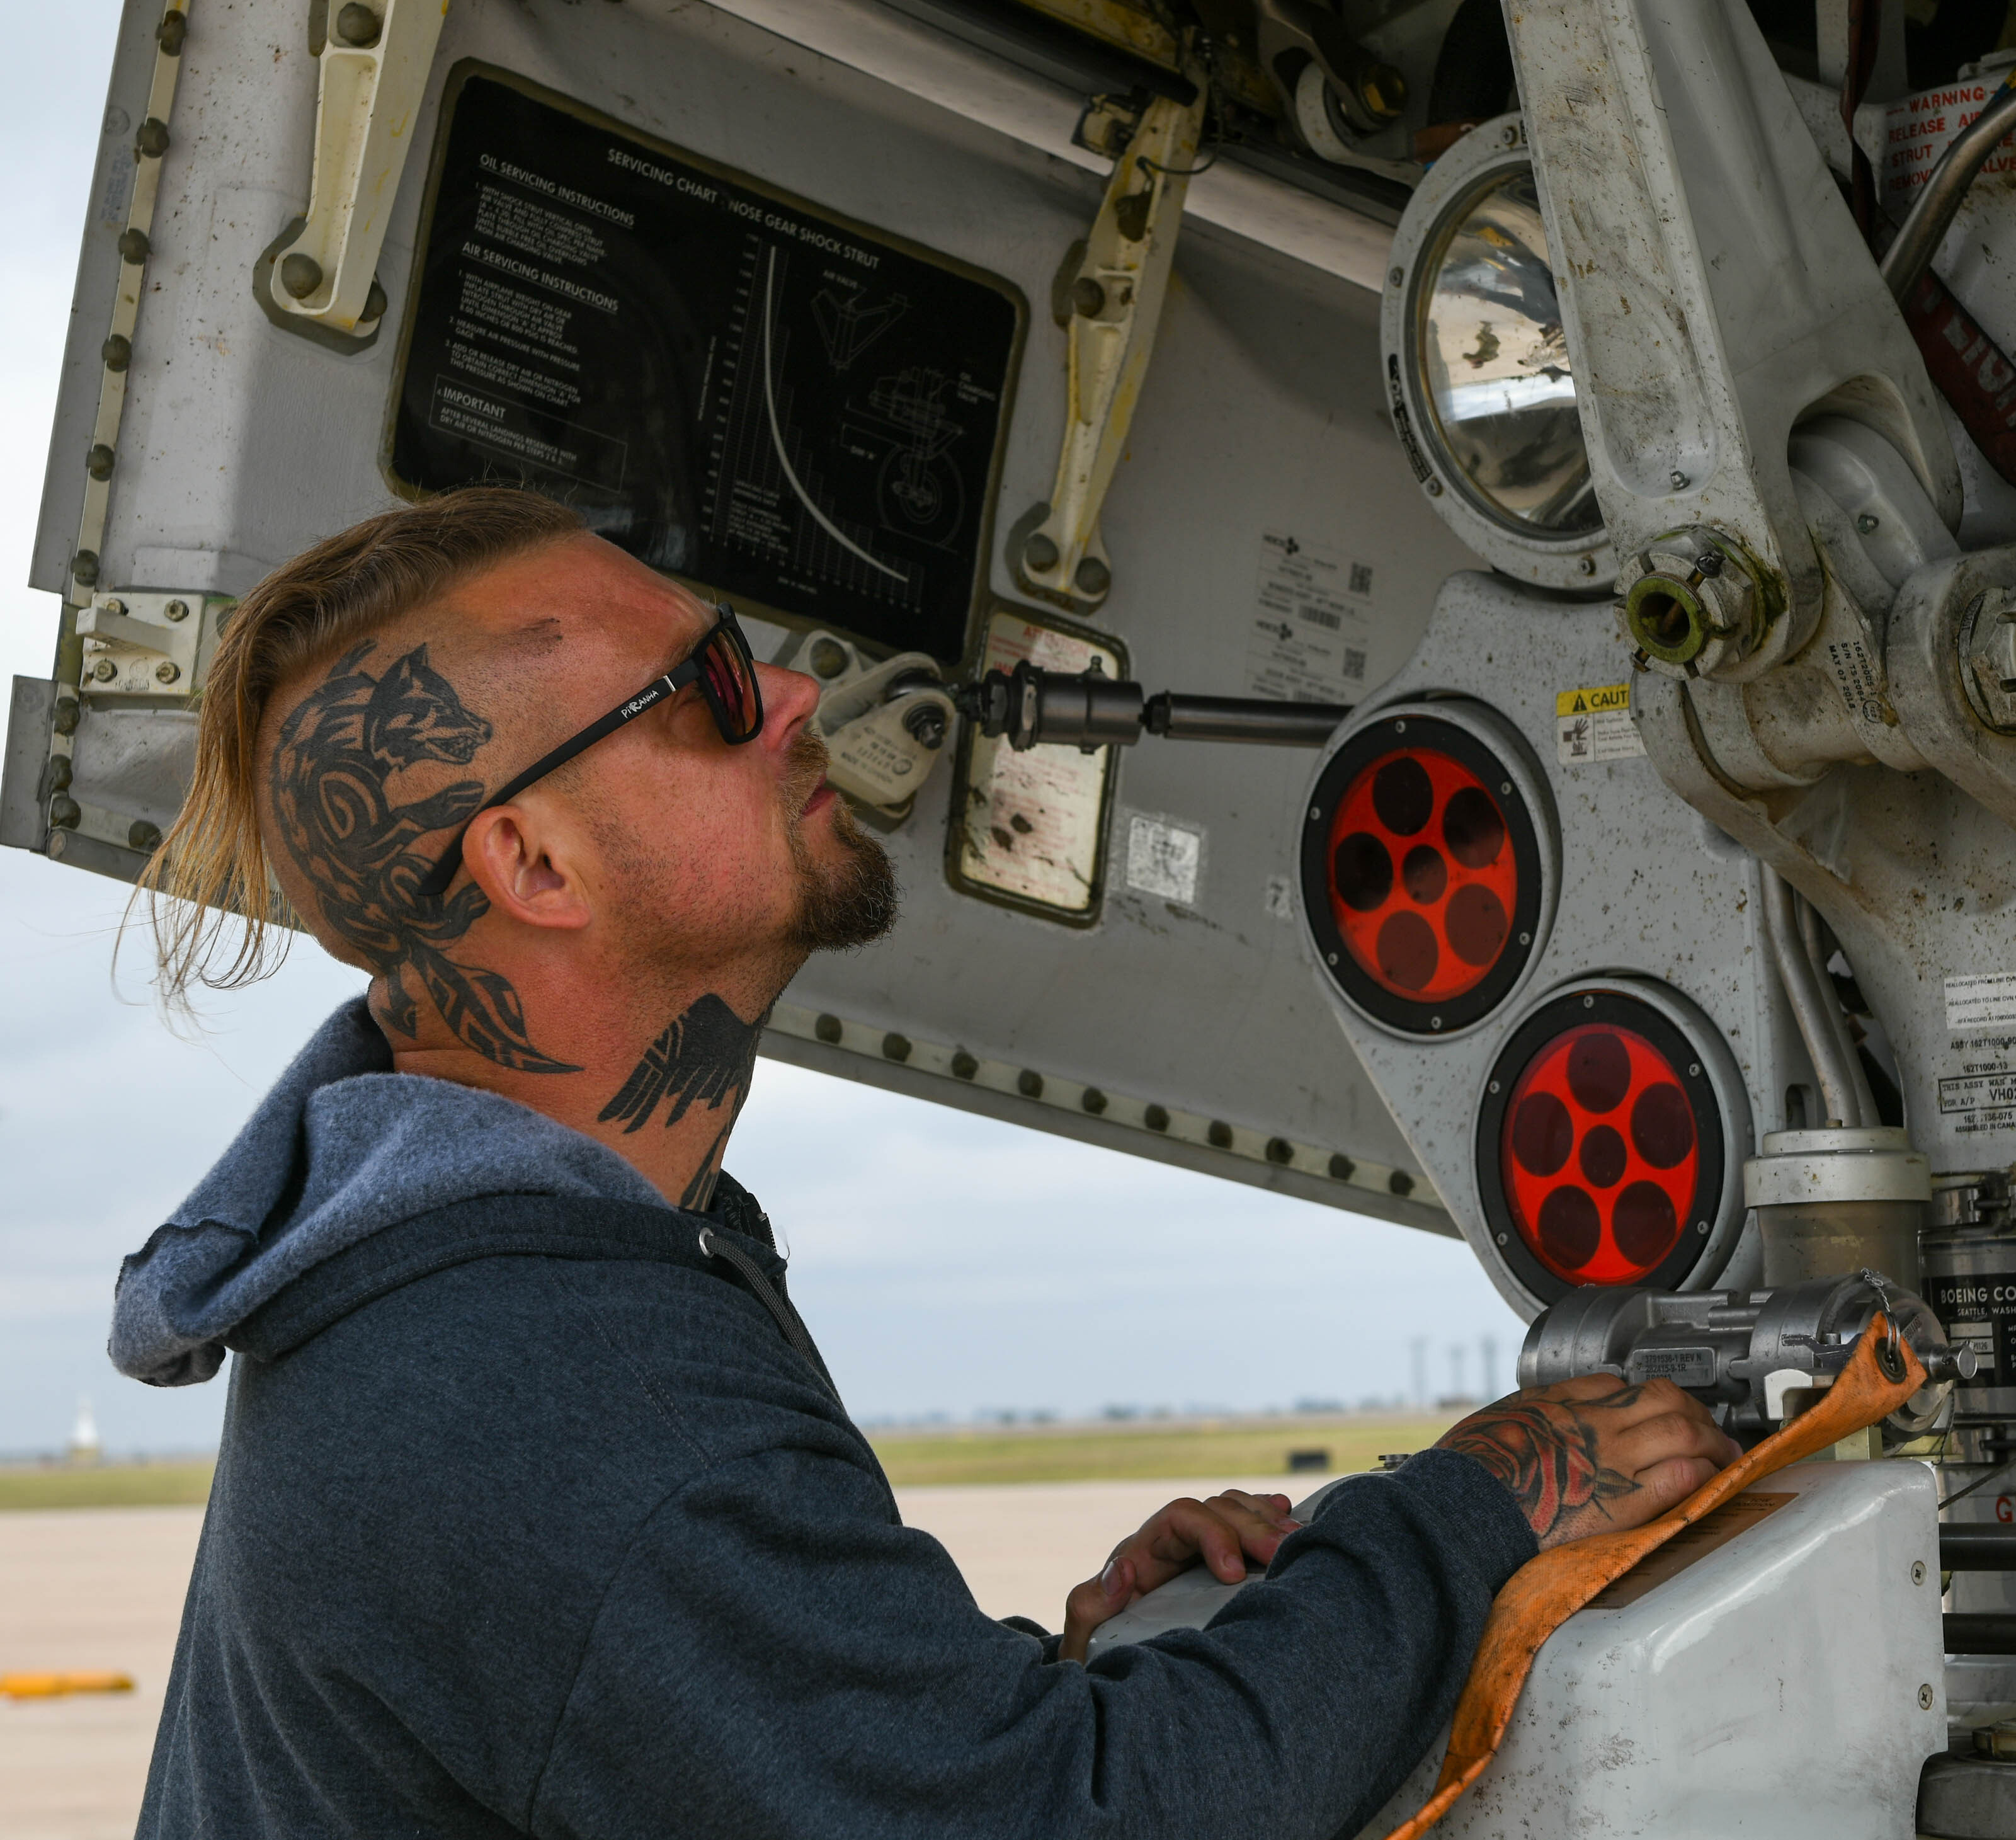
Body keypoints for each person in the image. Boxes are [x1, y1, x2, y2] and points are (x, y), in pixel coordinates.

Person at [110, 487, 1738, 1838]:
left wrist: (1068, 1684)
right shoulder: (547, 1386)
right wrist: (1472, 1500)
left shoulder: (512, 1285)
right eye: (715, 690)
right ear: (533, 859)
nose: (800, 700)